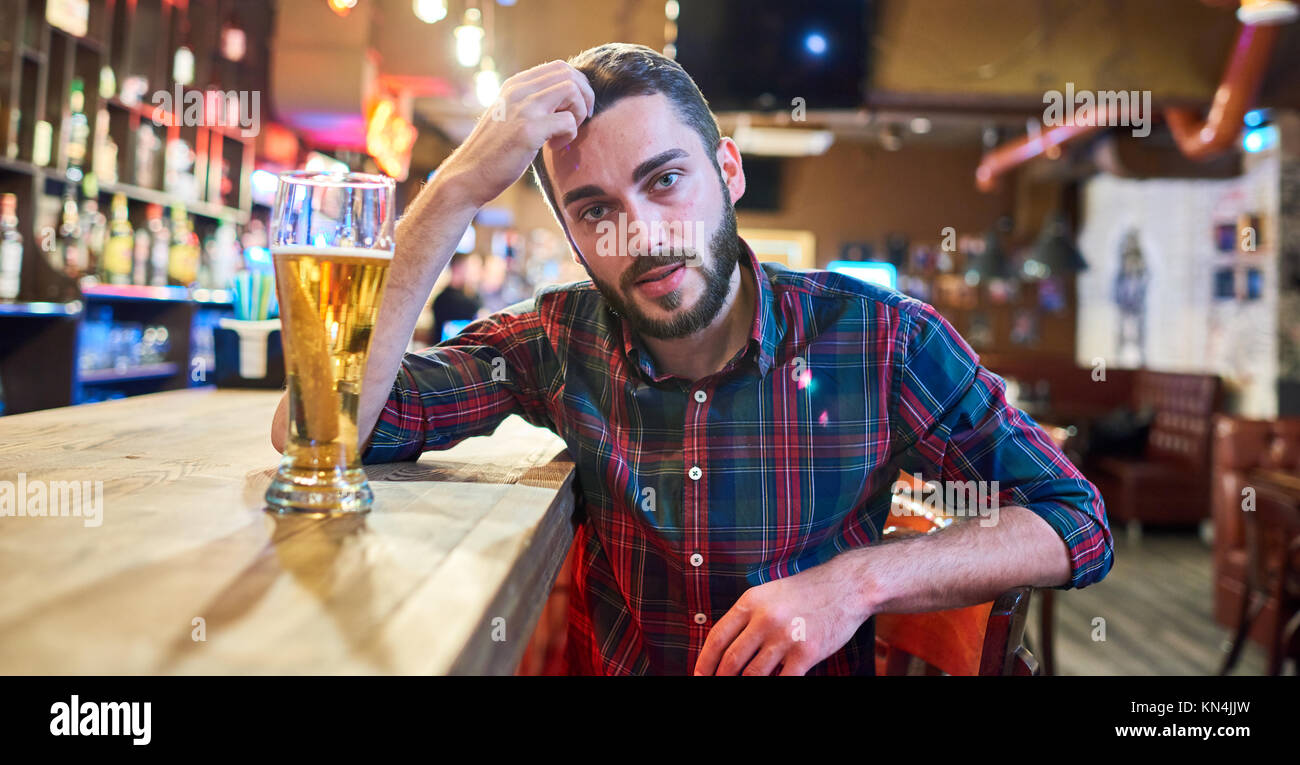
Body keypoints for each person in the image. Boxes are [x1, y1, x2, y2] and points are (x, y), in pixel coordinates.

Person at [272, 44, 1113, 675]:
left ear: (728, 169)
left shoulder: (883, 338)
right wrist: (455, 189)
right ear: (573, 236)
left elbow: (1076, 518)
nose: (641, 232)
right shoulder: (558, 340)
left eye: (665, 180)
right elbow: (321, 425)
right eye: (596, 209)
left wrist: (854, 583)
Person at [431, 251, 483, 343]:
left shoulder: (474, 296)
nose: (477, 272)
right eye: (473, 267)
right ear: (458, 268)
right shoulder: (444, 299)